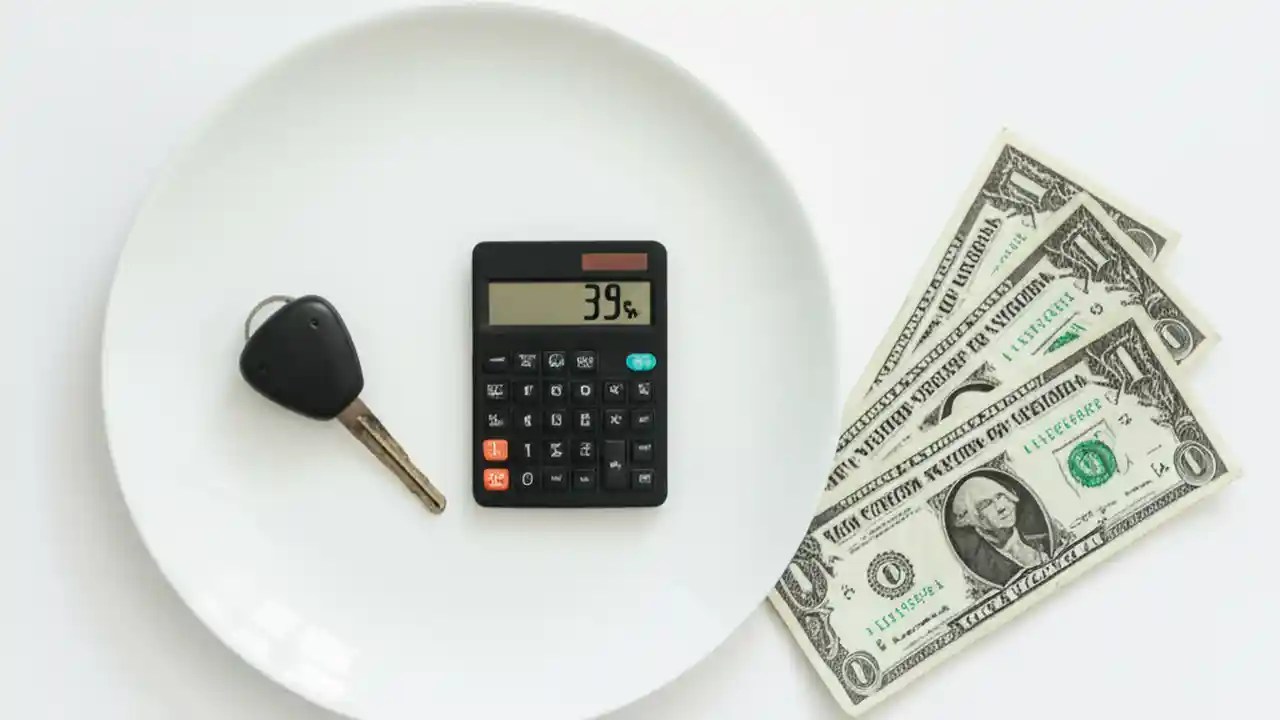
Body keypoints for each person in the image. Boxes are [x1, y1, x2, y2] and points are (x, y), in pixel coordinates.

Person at [949, 474, 1051, 585]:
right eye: (986, 504)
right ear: (971, 519)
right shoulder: (981, 568)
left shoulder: (1045, 539)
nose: (1001, 507)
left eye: (1000, 496)